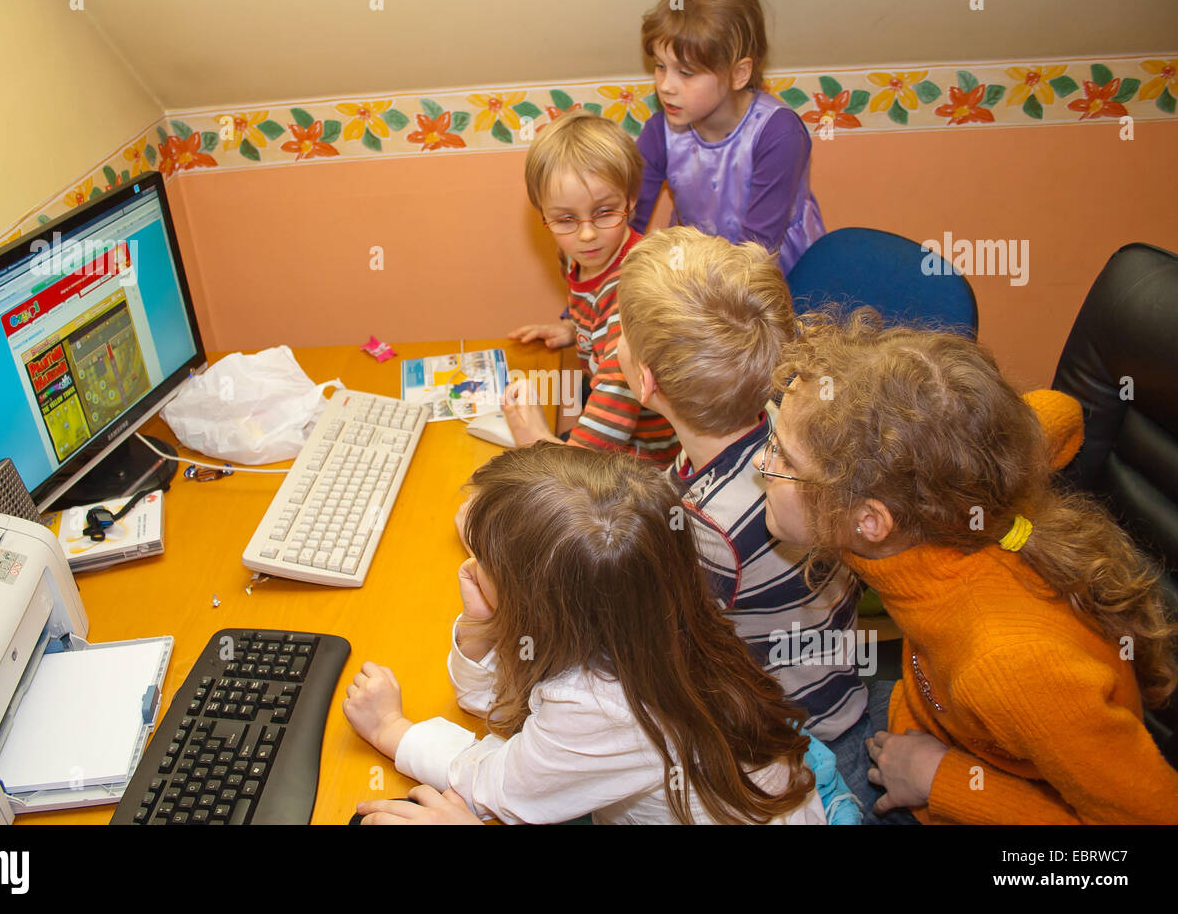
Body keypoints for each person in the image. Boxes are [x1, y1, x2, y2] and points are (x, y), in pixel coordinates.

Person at [755, 308, 1178, 823]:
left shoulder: (1005, 666)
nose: (762, 464)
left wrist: (941, 780)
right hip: (925, 720)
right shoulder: (959, 480)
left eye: (784, 459)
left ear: (870, 521)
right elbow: (1060, 412)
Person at [343, 443, 826, 824]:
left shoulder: (600, 704)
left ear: (538, 606)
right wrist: (482, 627)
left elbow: (498, 789)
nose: (470, 566)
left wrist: (393, 731)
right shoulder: (640, 620)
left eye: (484, 560)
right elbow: (504, 709)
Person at [614, 227, 868, 805]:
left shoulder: (704, 531)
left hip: (794, 742)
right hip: (838, 685)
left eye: (621, 333)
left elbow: (659, 657)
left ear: (645, 381)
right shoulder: (793, 430)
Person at [504, 111, 678, 464]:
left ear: (631, 200)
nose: (586, 234)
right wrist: (574, 329)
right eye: (566, 219)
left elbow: (616, 403)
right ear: (545, 215)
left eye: (604, 212)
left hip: (643, 458)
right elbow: (597, 313)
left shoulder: (633, 291)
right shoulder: (576, 254)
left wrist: (539, 443)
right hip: (608, 432)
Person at [635, 0, 824, 274]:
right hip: (698, 274)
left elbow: (757, 250)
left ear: (739, 73)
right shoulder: (661, 132)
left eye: (685, 72)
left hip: (778, 278)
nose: (666, 86)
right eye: (660, 66)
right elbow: (628, 223)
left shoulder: (778, 134)